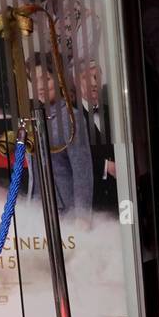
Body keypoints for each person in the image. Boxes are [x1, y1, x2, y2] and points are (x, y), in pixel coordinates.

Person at [30, 54, 94, 219]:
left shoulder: (71, 117)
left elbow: (82, 172)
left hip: (64, 213)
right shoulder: (34, 118)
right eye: (35, 81)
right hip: (36, 210)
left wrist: (82, 218)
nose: (41, 87)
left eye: (47, 79)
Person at [76, 60, 118, 212]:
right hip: (91, 202)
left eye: (97, 77)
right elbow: (71, 160)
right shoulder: (71, 117)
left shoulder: (113, 111)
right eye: (87, 78)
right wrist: (106, 167)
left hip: (118, 197)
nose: (94, 83)